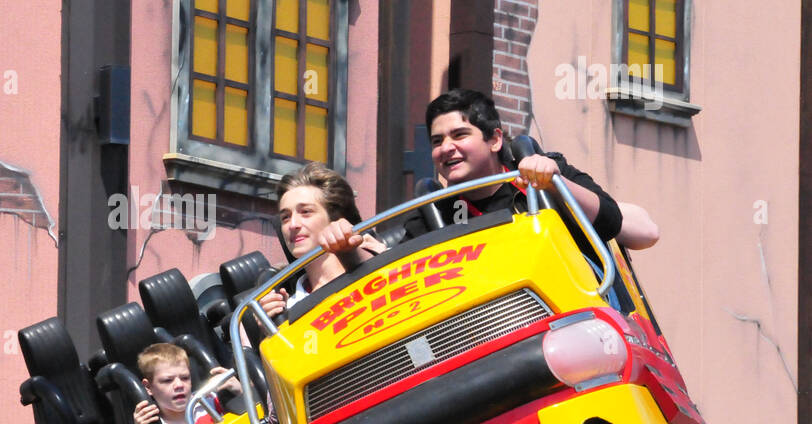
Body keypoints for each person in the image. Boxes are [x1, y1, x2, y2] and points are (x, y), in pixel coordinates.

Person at [402, 89, 623, 246]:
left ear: (495, 141)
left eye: (460, 135)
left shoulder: (541, 171)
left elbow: (611, 221)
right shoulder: (434, 211)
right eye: (437, 141)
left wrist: (555, 183)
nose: (446, 148)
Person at [260, 163, 387, 320]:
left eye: (306, 212)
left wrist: (362, 254)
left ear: (337, 218)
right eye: (285, 217)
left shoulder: (385, 265)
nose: (292, 225)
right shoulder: (289, 310)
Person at [131, 342, 238, 424]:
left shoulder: (212, 400)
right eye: (168, 380)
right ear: (148, 387)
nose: (179, 385)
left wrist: (241, 391)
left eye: (185, 378)